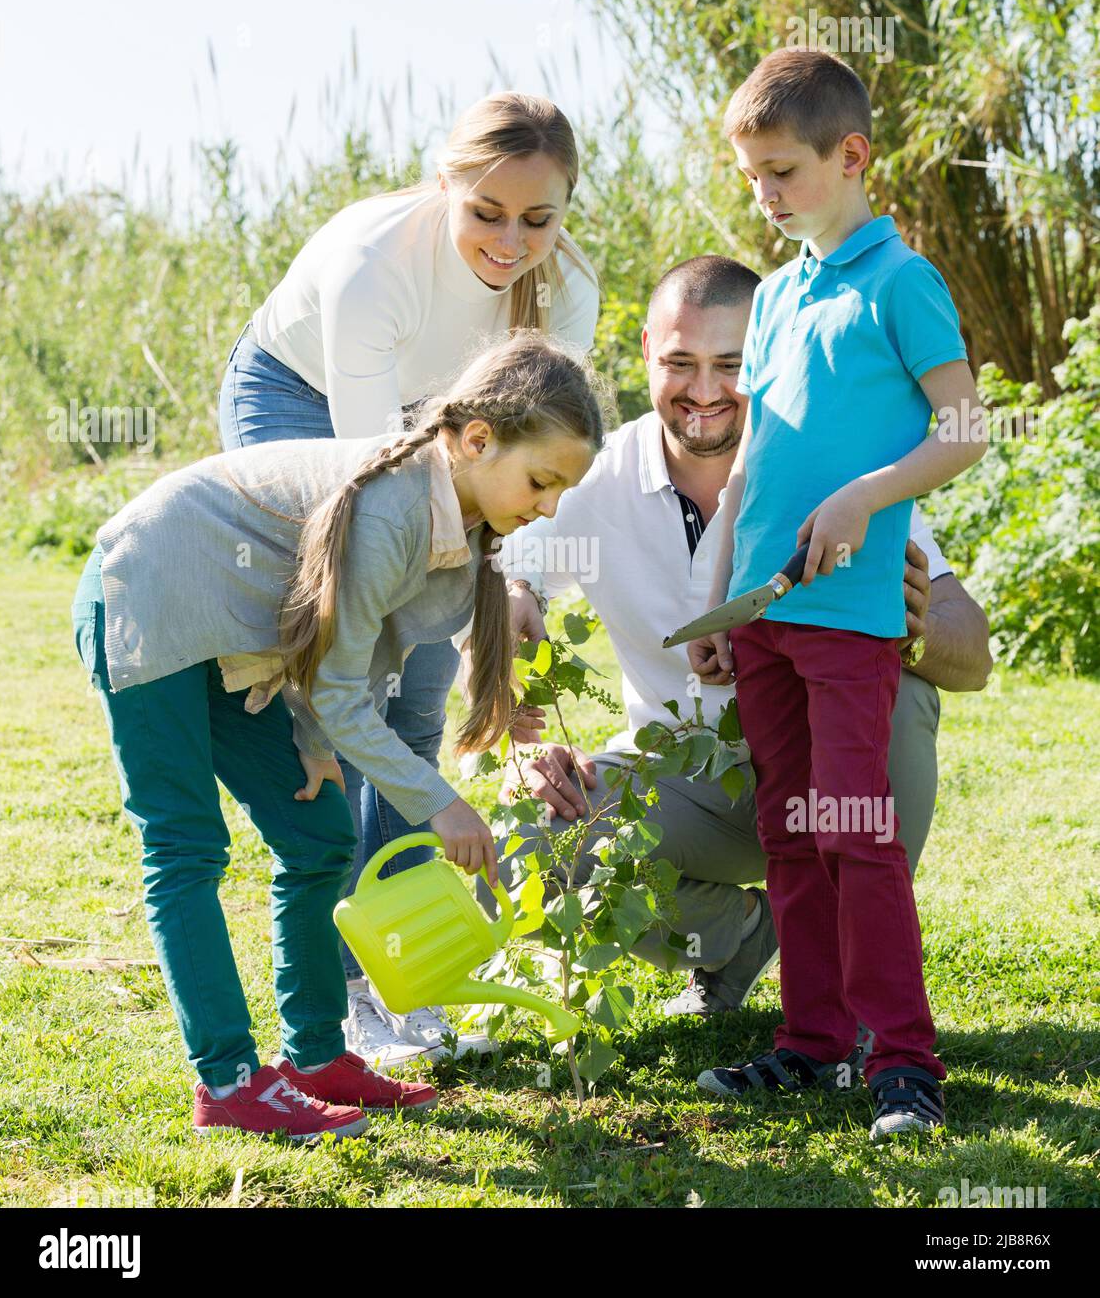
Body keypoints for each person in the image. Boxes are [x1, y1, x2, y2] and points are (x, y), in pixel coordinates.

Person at [71, 332, 609, 1141]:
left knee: (319, 836)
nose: (549, 507)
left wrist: (317, 740)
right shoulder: (395, 503)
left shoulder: (456, 516)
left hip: (222, 629)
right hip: (147, 593)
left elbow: (354, 651)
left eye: (563, 490)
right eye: (541, 481)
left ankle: (315, 1058)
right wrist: (440, 807)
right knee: (186, 846)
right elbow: (340, 682)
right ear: (475, 439)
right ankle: (226, 1081)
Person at [495, 257, 991, 1031]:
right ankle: (733, 942)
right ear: (645, 353)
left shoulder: (832, 471)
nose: (703, 392)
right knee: (526, 838)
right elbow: (505, 588)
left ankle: (855, 980)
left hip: (835, 764)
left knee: (903, 694)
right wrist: (519, 727)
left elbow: (975, 655)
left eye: (731, 365)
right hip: (685, 783)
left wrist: (907, 631)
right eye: (679, 363)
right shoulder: (589, 476)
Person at [216, 91, 599, 1067]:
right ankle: (340, 982)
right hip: (305, 401)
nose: (512, 241)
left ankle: (406, 966)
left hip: (445, 415)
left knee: (423, 688)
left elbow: (535, 462)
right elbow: (372, 494)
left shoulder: (567, 294)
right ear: (445, 183)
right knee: (361, 671)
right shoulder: (372, 268)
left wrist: (516, 598)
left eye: (539, 219)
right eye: (487, 212)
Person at [686, 48, 987, 1141]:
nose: (762, 198)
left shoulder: (902, 283)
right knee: (785, 830)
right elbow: (757, 458)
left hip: (851, 614)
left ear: (848, 157)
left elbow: (962, 429)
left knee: (853, 827)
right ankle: (810, 1044)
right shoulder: (773, 296)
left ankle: (902, 1062)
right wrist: (723, 600)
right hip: (763, 616)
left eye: (779, 173)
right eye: (752, 177)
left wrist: (866, 496)